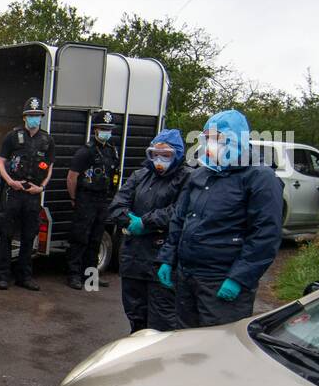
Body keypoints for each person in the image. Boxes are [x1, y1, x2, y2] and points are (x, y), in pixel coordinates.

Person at [157, 110, 283, 328]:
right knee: (185, 340)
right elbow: (179, 219)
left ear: (237, 140)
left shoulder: (260, 177)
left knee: (217, 346)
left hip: (220, 280)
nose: (210, 145)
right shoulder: (201, 174)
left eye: (217, 139)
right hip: (187, 276)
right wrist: (167, 258)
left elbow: (265, 235)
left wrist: (239, 278)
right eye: (207, 138)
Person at [107, 129, 190, 331]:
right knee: (136, 316)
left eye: (166, 155)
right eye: (155, 154)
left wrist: (146, 222)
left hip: (162, 259)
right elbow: (117, 205)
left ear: (177, 154)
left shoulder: (187, 178)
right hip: (133, 258)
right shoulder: (141, 175)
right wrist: (129, 220)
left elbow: (181, 210)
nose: (159, 160)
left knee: (162, 319)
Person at [0, 97, 55, 291]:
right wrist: (9, 181)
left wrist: (42, 187)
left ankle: (24, 276)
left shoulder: (47, 140)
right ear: (24, 117)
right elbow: (0, 161)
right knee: (6, 234)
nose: (34, 119)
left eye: (37, 116)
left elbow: (50, 167)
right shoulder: (12, 137)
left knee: (29, 236)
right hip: (14, 192)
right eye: (31, 116)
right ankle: (3, 275)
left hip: (33, 194)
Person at [66, 109, 120, 291]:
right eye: (103, 128)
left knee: (96, 239)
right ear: (95, 129)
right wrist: (74, 198)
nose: (107, 131)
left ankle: (90, 276)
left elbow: (114, 175)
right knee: (80, 237)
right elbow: (72, 177)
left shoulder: (112, 151)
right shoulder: (85, 152)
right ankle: (74, 275)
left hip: (102, 199)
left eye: (109, 128)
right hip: (85, 198)